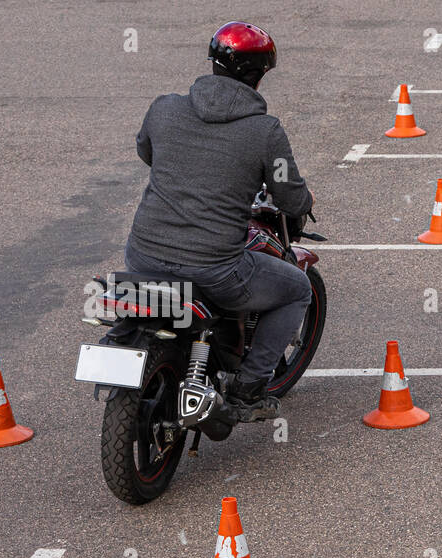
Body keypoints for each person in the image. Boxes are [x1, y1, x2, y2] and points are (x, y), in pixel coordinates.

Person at [125, 21, 314, 421]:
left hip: (142, 256)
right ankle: (247, 388)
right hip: (215, 268)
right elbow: (288, 195)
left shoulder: (164, 108)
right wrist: (304, 202)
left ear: (213, 62)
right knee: (297, 288)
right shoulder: (264, 131)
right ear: (259, 74)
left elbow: (148, 153)